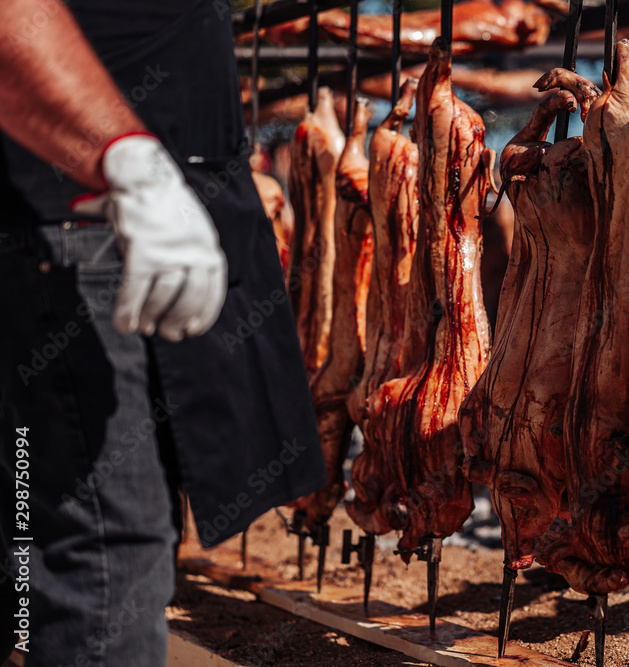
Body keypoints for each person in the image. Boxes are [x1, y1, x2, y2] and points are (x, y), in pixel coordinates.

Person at [0, 1, 327, 665]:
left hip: (89, 229)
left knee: (35, 554)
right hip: (74, 232)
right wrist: (128, 159)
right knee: (100, 562)